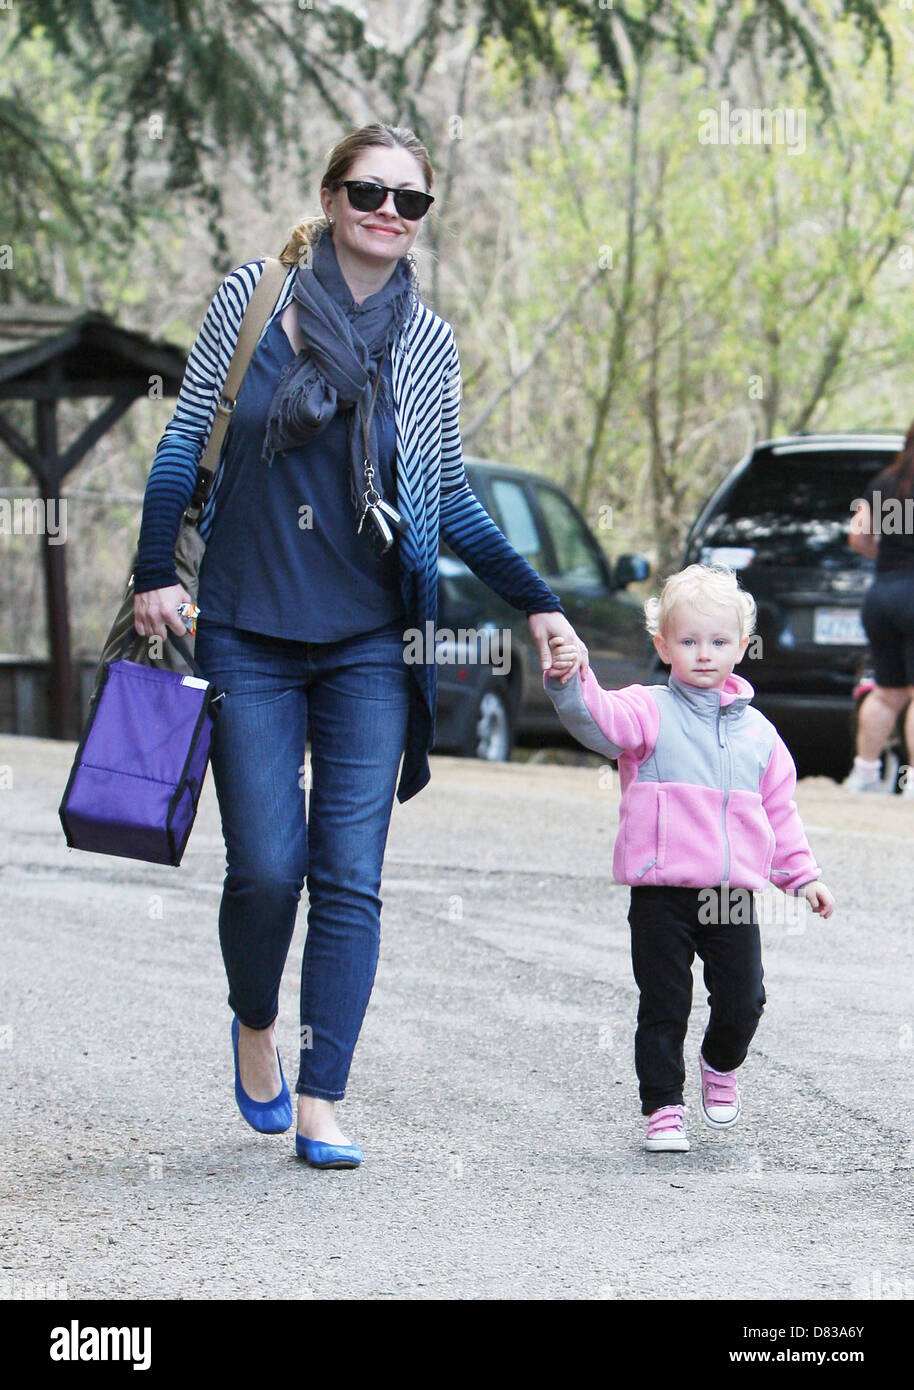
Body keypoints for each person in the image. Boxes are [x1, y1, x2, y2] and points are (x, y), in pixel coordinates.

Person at [130, 122, 588, 1168]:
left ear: (421, 222)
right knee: (265, 866)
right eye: (370, 191)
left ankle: (322, 1097)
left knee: (350, 875)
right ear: (331, 198)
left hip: (371, 642)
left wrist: (538, 600)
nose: (389, 211)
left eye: (410, 201)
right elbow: (187, 432)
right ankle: (255, 1021)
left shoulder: (426, 346)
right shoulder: (254, 297)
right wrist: (156, 568)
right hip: (244, 626)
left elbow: (448, 499)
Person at [543, 564, 834, 1152]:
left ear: (743, 646)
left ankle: (720, 1062)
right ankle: (663, 1109)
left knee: (744, 998)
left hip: (729, 895)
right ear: (663, 645)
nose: (704, 654)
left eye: (719, 642)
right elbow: (597, 720)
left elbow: (780, 814)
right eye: (689, 641)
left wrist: (804, 876)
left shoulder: (760, 736)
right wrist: (570, 678)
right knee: (664, 1002)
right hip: (660, 893)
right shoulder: (647, 710)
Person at [846, 426, 914, 794]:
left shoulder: (885, 481)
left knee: (887, 691)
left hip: (882, 595)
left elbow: (858, 536)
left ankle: (864, 774)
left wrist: (887, 561)